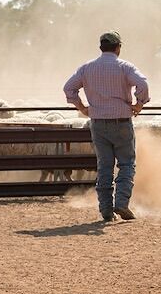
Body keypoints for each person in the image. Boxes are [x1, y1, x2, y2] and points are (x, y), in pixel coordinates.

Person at [63, 31, 150, 222]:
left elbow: (68, 88)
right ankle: (122, 203)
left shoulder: (87, 68)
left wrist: (82, 108)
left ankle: (106, 210)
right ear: (118, 48)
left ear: (101, 47)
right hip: (122, 122)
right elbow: (143, 84)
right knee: (126, 164)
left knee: (104, 166)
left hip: (98, 123)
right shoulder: (125, 67)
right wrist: (139, 104)